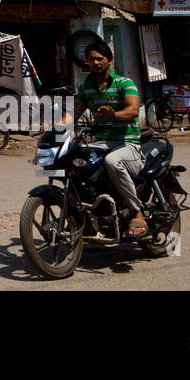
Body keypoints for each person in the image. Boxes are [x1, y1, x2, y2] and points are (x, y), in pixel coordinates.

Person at [62, 41, 147, 236]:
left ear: (109, 60)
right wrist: (53, 127)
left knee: (112, 161)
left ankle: (136, 213)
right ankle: (84, 216)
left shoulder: (124, 83)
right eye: (91, 59)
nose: (96, 62)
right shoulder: (86, 87)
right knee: (74, 163)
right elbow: (73, 113)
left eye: (100, 58)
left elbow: (133, 110)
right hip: (101, 143)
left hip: (128, 144)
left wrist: (114, 115)